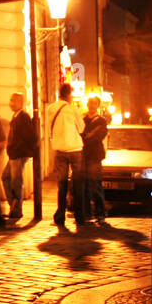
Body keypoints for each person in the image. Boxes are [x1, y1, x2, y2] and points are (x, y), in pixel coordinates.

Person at [46, 83, 86, 228]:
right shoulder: (72, 109)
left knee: (61, 184)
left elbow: (49, 127)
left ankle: (60, 216)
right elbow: (81, 128)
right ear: (69, 95)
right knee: (78, 184)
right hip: (75, 149)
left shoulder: (50, 108)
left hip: (60, 149)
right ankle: (80, 216)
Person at [6, 92, 36, 221]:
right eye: (11, 100)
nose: (11, 103)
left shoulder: (23, 116)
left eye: (13, 100)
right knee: (6, 177)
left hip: (18, 154)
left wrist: (22, 151)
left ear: (20, 102)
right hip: (13, 153)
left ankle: (17, 209)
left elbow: (29, 136)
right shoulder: (15, 116)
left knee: (16, 181)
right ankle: (13, 203)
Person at [82, 95, 110, 227]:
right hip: (83, 156)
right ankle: (87, 214)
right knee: (85, 186)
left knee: (96, 186)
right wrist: (88, 136)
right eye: (89, 103)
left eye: (94, 103)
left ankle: (101, 213)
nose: (91, 105)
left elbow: (99, 135)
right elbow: (80, 134)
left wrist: (88, 136)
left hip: (95, 156)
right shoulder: (83, 119)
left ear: (97, 106)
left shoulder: (101, 121)